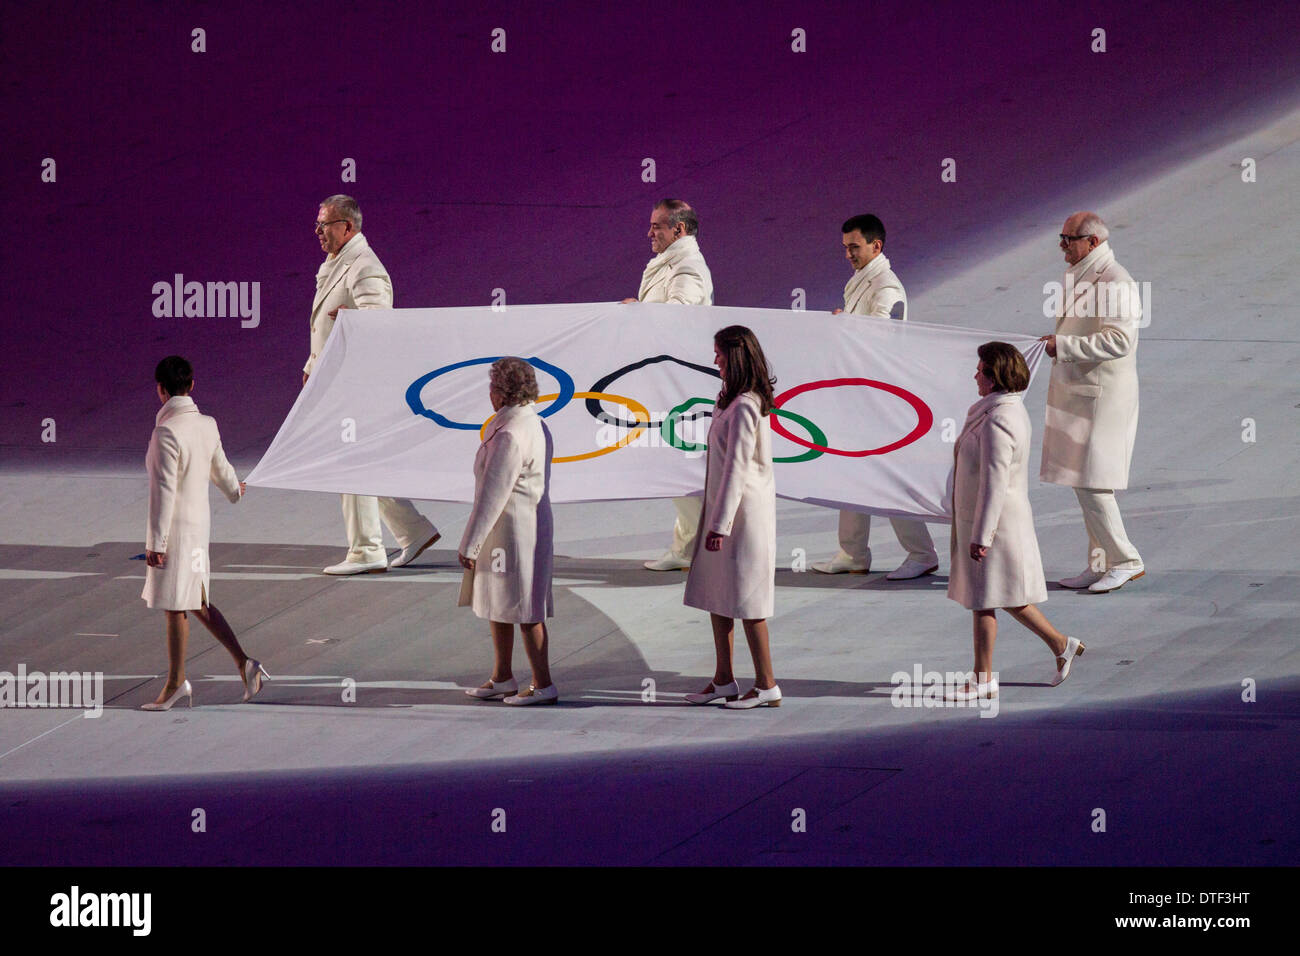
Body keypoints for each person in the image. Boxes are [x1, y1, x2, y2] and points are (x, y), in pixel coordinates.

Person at [307, 194, 440, 575]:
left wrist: (353, 320)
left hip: (356, 385)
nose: (318, 232)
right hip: (335, 379)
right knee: (363, 459)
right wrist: (311, 363)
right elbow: (325, 323)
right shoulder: (336, 263)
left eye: (325, 225)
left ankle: (366, 550)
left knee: (349, 460)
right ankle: (413, 530)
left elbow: (380, 326)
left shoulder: (366, 268)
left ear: (347, 227)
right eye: (317, 224)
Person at [946, 342, 1084, 700]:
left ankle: (983, 680)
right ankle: (1060, 644)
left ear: (993, 379)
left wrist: (982, 535)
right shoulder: (995, 412)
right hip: (989, 521)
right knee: (1005, 595)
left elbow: (995, 482)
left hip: (996, 524)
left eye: (980, 370)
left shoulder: (999, 420)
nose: (974, 375)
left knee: (984, 600)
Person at [813, 214, 940, 580]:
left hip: (883, 399)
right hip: (860, 395)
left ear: (876, 246)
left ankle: (922, 553)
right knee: (852, 470)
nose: (848, 254)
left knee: (890, 476)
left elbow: (882, 341)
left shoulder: (886, 288)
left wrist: (845, 327)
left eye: (854, 247)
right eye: (845, 248)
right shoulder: (860, 282)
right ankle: (852, 552)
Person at [142, 356, 268, 710]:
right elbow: (221, 467)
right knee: (196, 601)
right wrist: (234, 490)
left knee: (175, 605)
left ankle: (175, 683)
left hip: (176, 530)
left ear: (161, 390)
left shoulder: (166, 432)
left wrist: (156, 543)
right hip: (199, 528)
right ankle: (245, 664)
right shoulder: (207, 424)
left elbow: (163, 491)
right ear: (192, 386)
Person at [1040, 211, 1144, 593]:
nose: (1062, 245)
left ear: (1093, 242)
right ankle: (1099, 562)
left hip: (1103, 398)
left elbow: (1120, 340)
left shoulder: (1115, 282)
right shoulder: (1082, 273)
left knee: (1092, 483)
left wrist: (1063, 346)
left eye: (1069, 238)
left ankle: (1126, 560)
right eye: (1062, 237)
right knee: (1082, 480)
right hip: (1083, 393)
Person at [682, 326, 781, 709]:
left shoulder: (744, 407)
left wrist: (719, 526)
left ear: (734, 357)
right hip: (726, 511)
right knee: (719, 597)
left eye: (719, 354)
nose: (715, 360)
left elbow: (737, 469)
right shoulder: (730, 401)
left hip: (743, 517)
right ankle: (724, 678)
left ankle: (767, 685)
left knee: (749, 601)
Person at [620, 199, 715, 572]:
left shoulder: (688, 267)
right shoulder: (670, 263)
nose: (649, 232)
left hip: (680, 385)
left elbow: (678, 318)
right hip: (666, 379)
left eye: (657, 226)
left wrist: (639, 313)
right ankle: (692, 544)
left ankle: (692, 547)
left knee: (682, 462)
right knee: (680, 462)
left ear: (680, 230)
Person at [458, 358, 557, 706]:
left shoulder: (511, 435)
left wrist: (470, 545)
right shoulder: (532, 421)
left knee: (525, 609)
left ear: (500, 392)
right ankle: (503, 676)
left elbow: (492, 495)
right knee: (500, 603)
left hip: (510, 532)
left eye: (492, 387)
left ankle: (543, 684)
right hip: (518, 527)